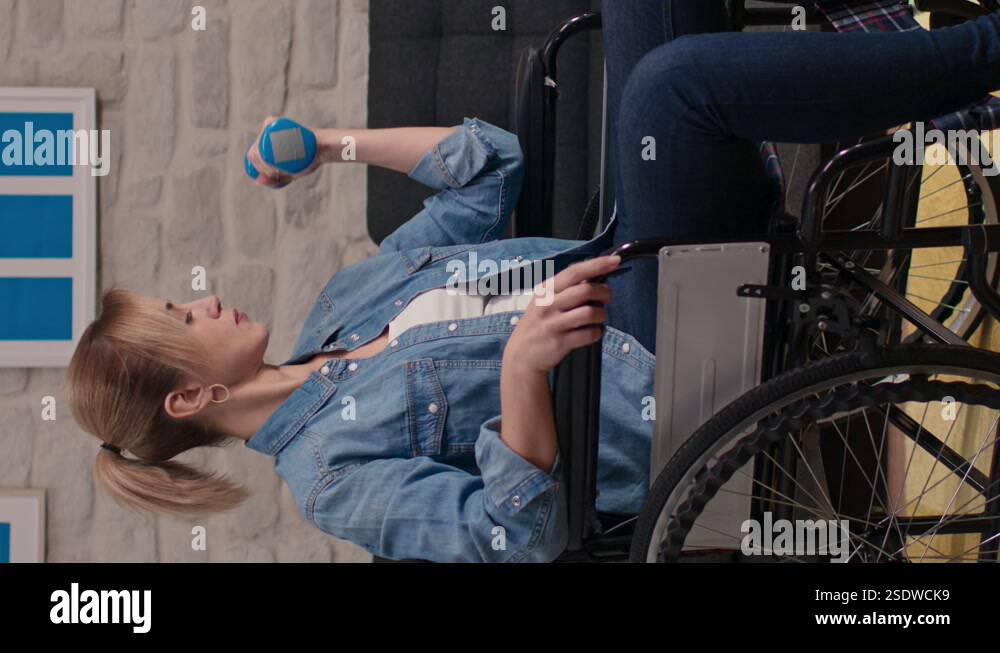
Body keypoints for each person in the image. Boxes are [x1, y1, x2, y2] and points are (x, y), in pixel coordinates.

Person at [67, 1, 1000, 562]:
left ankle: (922, 76)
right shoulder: (330, 480)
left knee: (653, 43)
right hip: (654, 371)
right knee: (665, 91)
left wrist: (331, 146)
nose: (202, 300)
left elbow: (489, 168)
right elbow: (512, 537)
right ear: (189, 390)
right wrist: (521, 373)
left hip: (637, 258)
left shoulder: (339, 309)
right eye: (178, 314)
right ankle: (983, 56)